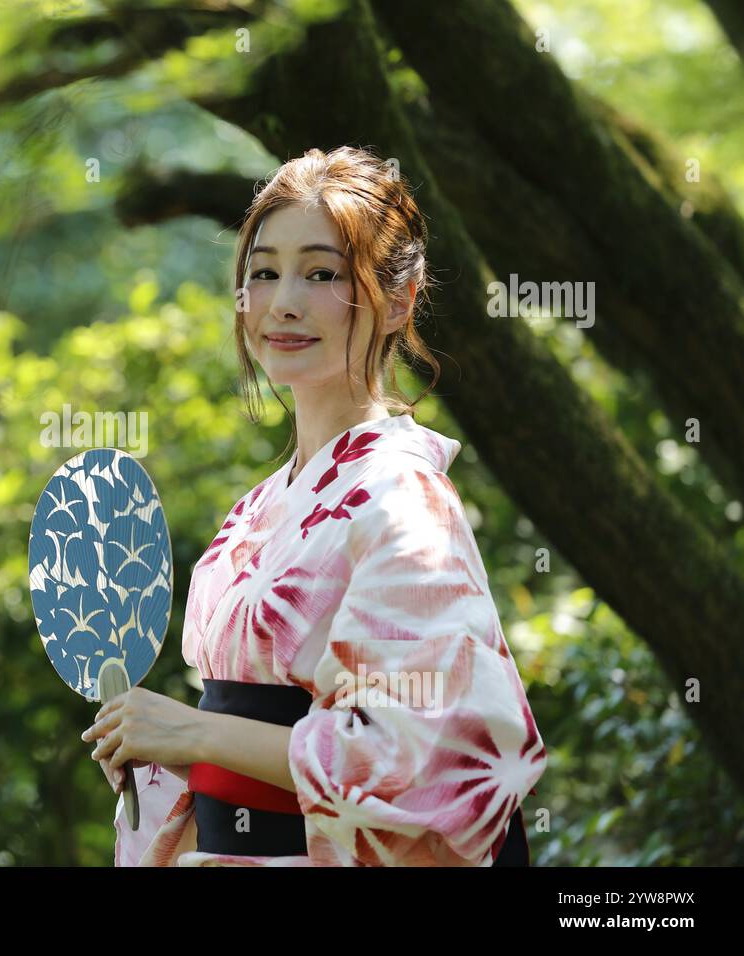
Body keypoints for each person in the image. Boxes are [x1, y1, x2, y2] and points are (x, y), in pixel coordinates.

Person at [81, 145, 546, 866]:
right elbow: (239, 730)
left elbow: (417, 756)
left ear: (400, 299)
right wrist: (160, 749)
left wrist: (196, 735)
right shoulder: (259, 507)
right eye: (263, 273)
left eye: (322, 273)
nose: (284, 302)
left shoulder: (402, 495)